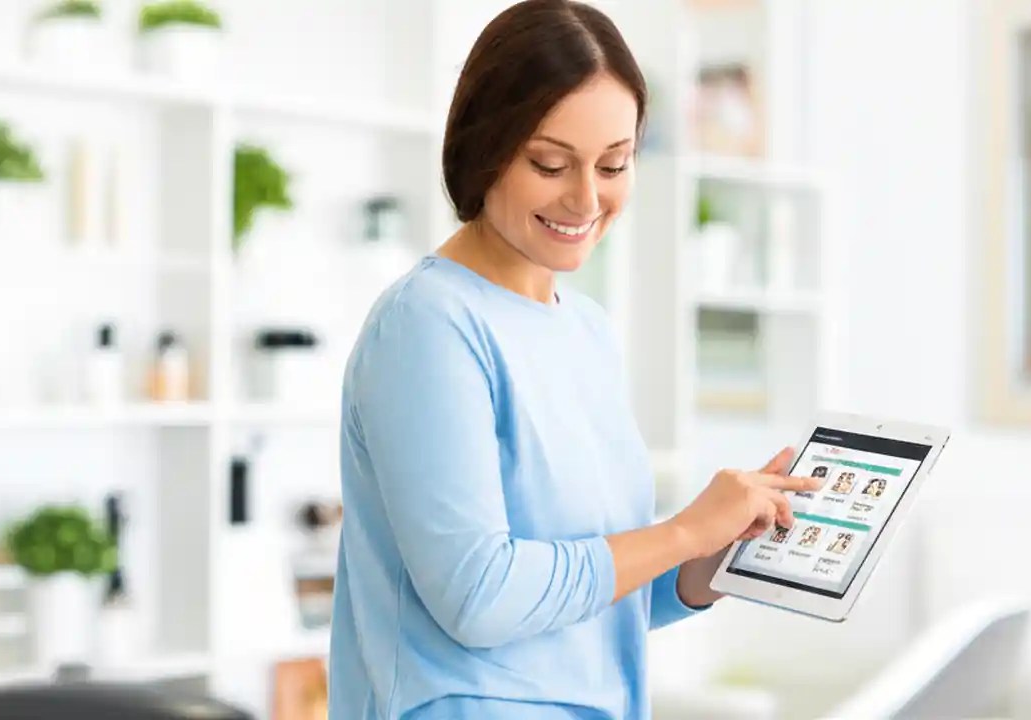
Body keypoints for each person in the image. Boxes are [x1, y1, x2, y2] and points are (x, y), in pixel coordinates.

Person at [329, 2, 820, 718]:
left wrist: (710, 555)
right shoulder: (428, 326)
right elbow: (482, 597)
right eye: (550, 164)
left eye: (615, 164)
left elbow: (586, 590)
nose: (587, 198)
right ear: (483, 145)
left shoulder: (586, 330)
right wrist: (680, 530)